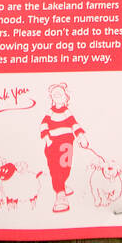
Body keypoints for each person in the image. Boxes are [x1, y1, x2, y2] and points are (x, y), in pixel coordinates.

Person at [40, 83, 88, 212]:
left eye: (60, 93)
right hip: (52, 143)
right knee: (55, 168)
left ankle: (61, 183)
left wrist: (81, 137)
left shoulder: (67, 112)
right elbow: (43, 125)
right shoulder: (50, 112)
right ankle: (60, 195)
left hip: (67, 144)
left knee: (65, 167)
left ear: (66, 98)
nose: (57, 94)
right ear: (51, 98)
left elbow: (74, 124)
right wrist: (47, 139)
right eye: (54, 93)